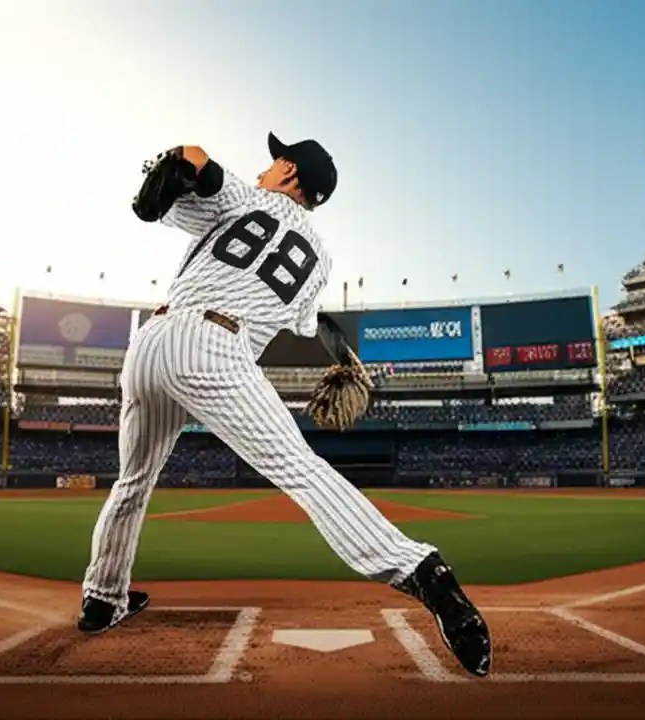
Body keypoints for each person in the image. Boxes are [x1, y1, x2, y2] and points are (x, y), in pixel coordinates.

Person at [78, 133, 491, 677]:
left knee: (132, 480)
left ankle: (102, 597)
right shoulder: (319, 260)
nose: (264, 169)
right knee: (300, 469)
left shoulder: (248, 198)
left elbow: (193, 162)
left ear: (290, 172)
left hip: (152, 346)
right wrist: (344, 357)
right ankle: (423, 571)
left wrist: (177, 166)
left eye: (274, 162)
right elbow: (309, 323)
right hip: (211, 349)